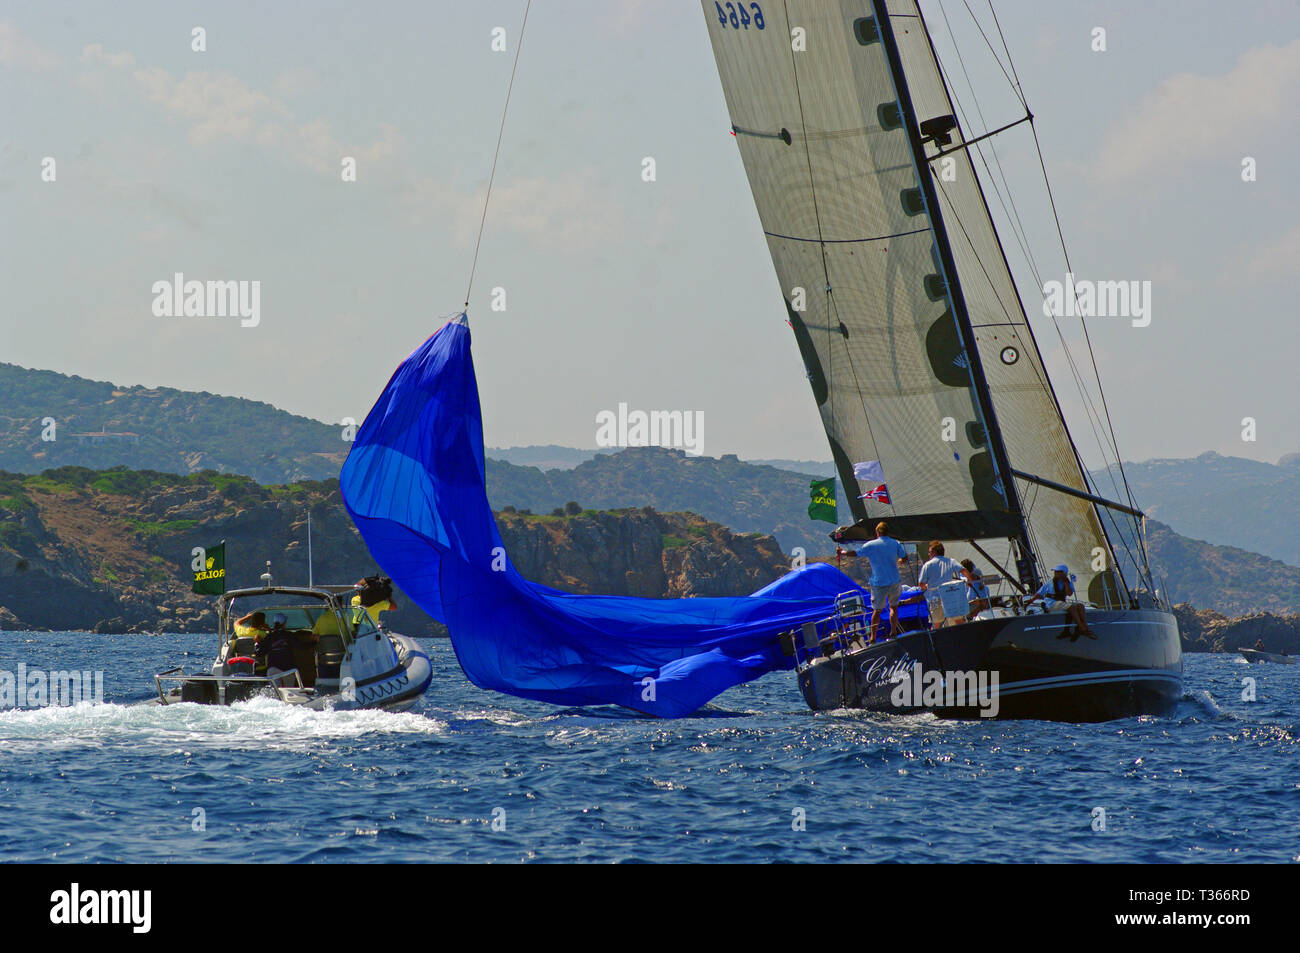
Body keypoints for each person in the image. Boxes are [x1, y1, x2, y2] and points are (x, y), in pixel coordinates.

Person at [842, 522, 909, 641]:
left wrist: (842, 552)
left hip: (879, 583)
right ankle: (893, 632)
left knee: (877, 611)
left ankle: (872, 637)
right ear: (887, 532)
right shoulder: (895, 543)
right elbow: (904, 557)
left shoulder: (871, 545)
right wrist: (899, 561)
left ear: (877, 532)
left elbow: (854, 553)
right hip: (894, 580)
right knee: (894, 607)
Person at [1025, 564, 1095, 639]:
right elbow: (1040, 593)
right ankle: (1082, 628)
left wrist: (1066, 583)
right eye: (1055, 571)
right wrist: (1031, 600)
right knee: (1070, 606)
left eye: (1057, 571)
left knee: (1080, 606)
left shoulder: (1067, 582)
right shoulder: (1050, 582)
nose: (1055, 573)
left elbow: (1069, 593)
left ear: (1063, 573)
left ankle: (1085, 626)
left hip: (1061, 603)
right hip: (1051, 603)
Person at [916, 540, 962, 628]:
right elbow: (963, 570)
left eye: (929, 552)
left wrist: (926, 587)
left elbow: (921, 584)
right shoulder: (951, 561)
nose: (928, 554)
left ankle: (933, 640)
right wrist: (969, 581)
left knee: (936, 624)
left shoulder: (928, 565)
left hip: (935, 599)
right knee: (958, 621)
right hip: (950, 597)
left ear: (934, 552)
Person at [254, 612, 298, 681]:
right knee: (289, 690)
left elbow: (259, 652)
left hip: (273, 669)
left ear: (274, 623)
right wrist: (315, 642)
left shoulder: (269, 637)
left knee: (274, 690)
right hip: (288, 669)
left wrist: (257, 643)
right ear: (284, 623)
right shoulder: (289, 635)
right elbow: (301, 646)